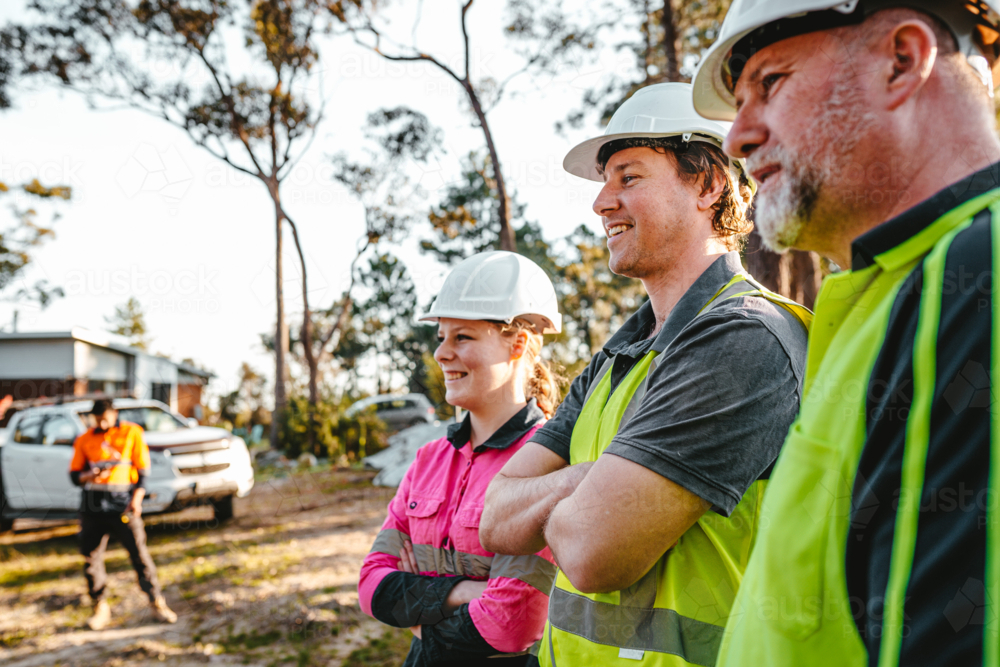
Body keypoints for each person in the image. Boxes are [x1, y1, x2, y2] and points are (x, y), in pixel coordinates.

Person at [691, 1, 1000, 665]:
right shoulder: (883, 299)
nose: (736, 138)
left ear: (901, 61)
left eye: (770, 83)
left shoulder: (980, 273)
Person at [478, 82, 811, 667]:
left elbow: (589, 552)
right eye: (605, 182)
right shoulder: (619, 357)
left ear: (709, 184)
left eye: (628, 178)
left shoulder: (744, 339)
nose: (601, 202)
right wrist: (587, 480)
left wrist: (561, 502)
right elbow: (495, 520)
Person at [358, 251, 563, 666]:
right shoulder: (428, 460)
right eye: (442, 338)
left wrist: (420, 608)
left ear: (517, 344)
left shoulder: (547, 461)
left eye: (462, 337)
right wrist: (464, 592)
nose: (442, 354)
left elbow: (510, 625)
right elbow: (371, 586)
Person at [70, 398, 177, 630]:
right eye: (97, 420)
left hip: (123, 504)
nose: (101, 423)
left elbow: (143, 472)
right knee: (91, 557)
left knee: (139, 554)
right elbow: (74, 476)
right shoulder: (84, 439)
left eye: (105, 418)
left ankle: (156, 601)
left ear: (113, 413)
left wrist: (137, 499)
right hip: (93, 507)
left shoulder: (132, 433)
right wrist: (90, 475)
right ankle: (100, 606)